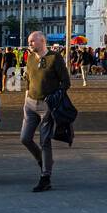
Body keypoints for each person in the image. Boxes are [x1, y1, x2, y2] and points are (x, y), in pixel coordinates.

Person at [20, 31, 70, 192]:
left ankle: (45, 177)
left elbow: (66, 82)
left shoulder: (54, 58)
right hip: (30, 103)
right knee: (25, 138)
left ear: (42, 41)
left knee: (45, 140)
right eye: (29, 42)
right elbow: (28, 80)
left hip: (46, 105)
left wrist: (54, 97)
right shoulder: (29, 58)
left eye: (32, 41)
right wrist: (25, 100)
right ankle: (42, 160)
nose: (30, 44)